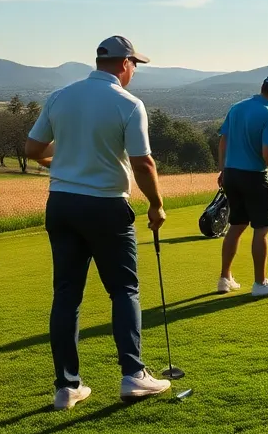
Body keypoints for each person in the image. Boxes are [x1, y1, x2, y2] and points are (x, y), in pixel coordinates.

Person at [24, 36, 171, 410]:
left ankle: (66, 387)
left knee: (67, 297)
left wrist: (63, 159)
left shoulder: (60, 96)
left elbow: (33, 150)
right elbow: (143, 163)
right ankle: (133, 375)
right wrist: (156, 205)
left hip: (61, 205)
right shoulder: (129, 104)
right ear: (124, 64)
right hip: (106, 207)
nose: (134, 71)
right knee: (124, 290)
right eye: (135, 65)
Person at [215, 74, 268, 298]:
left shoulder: (237, 108)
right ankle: (260, 283)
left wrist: (222, 169)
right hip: (254, 177)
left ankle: (224, 278)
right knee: (261, 230)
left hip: (231, 175)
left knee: (236, 225)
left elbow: (223, 141)